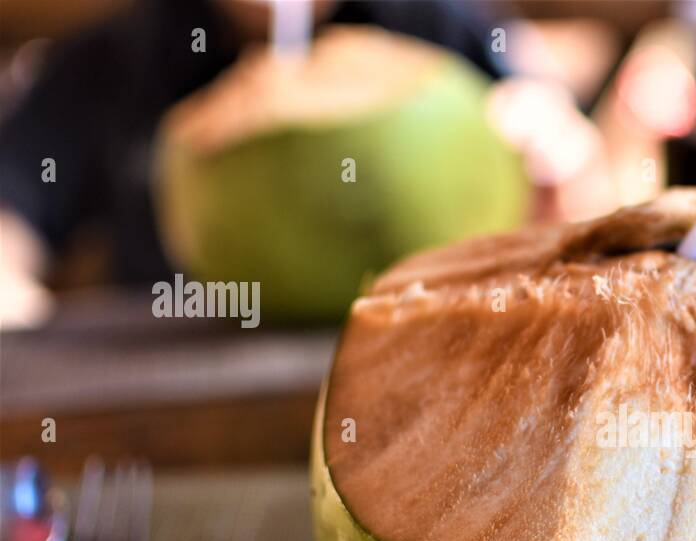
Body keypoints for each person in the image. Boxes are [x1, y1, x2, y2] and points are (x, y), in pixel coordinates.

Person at [0, 0, 505, 327]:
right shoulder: (116, 58)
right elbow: (14, 202)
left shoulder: (431, 26)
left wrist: (553, 169)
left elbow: (545, 155)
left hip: (416, 360)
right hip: (176, 394)